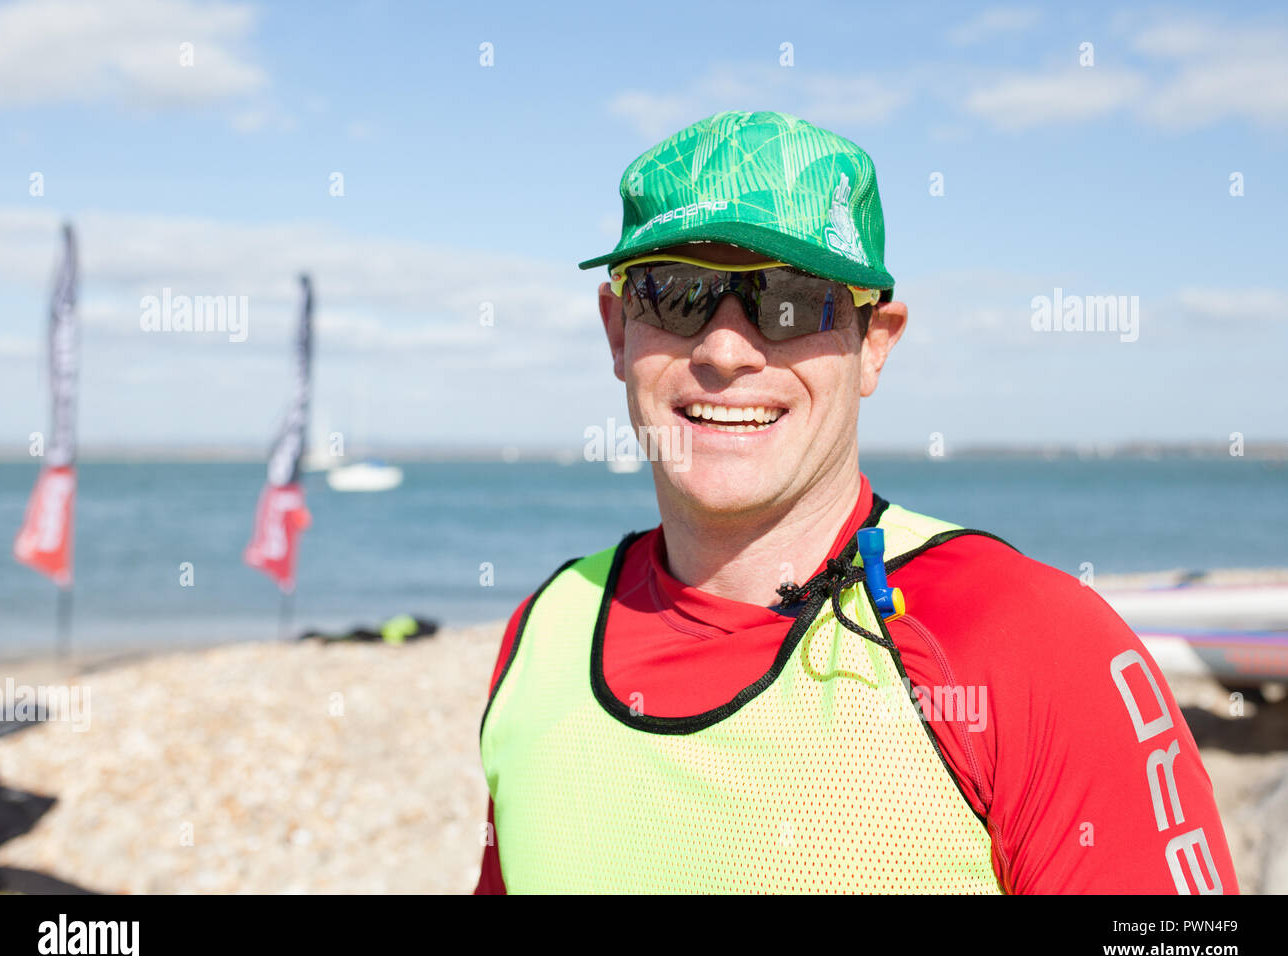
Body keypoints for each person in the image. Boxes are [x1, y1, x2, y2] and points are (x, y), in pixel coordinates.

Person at [474, 110, 1238, 894]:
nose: (726, 351)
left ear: (876, 342)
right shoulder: (544, 631)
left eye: (792, 300)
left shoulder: (1030, 642)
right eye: (677, 293)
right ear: (616, 333)